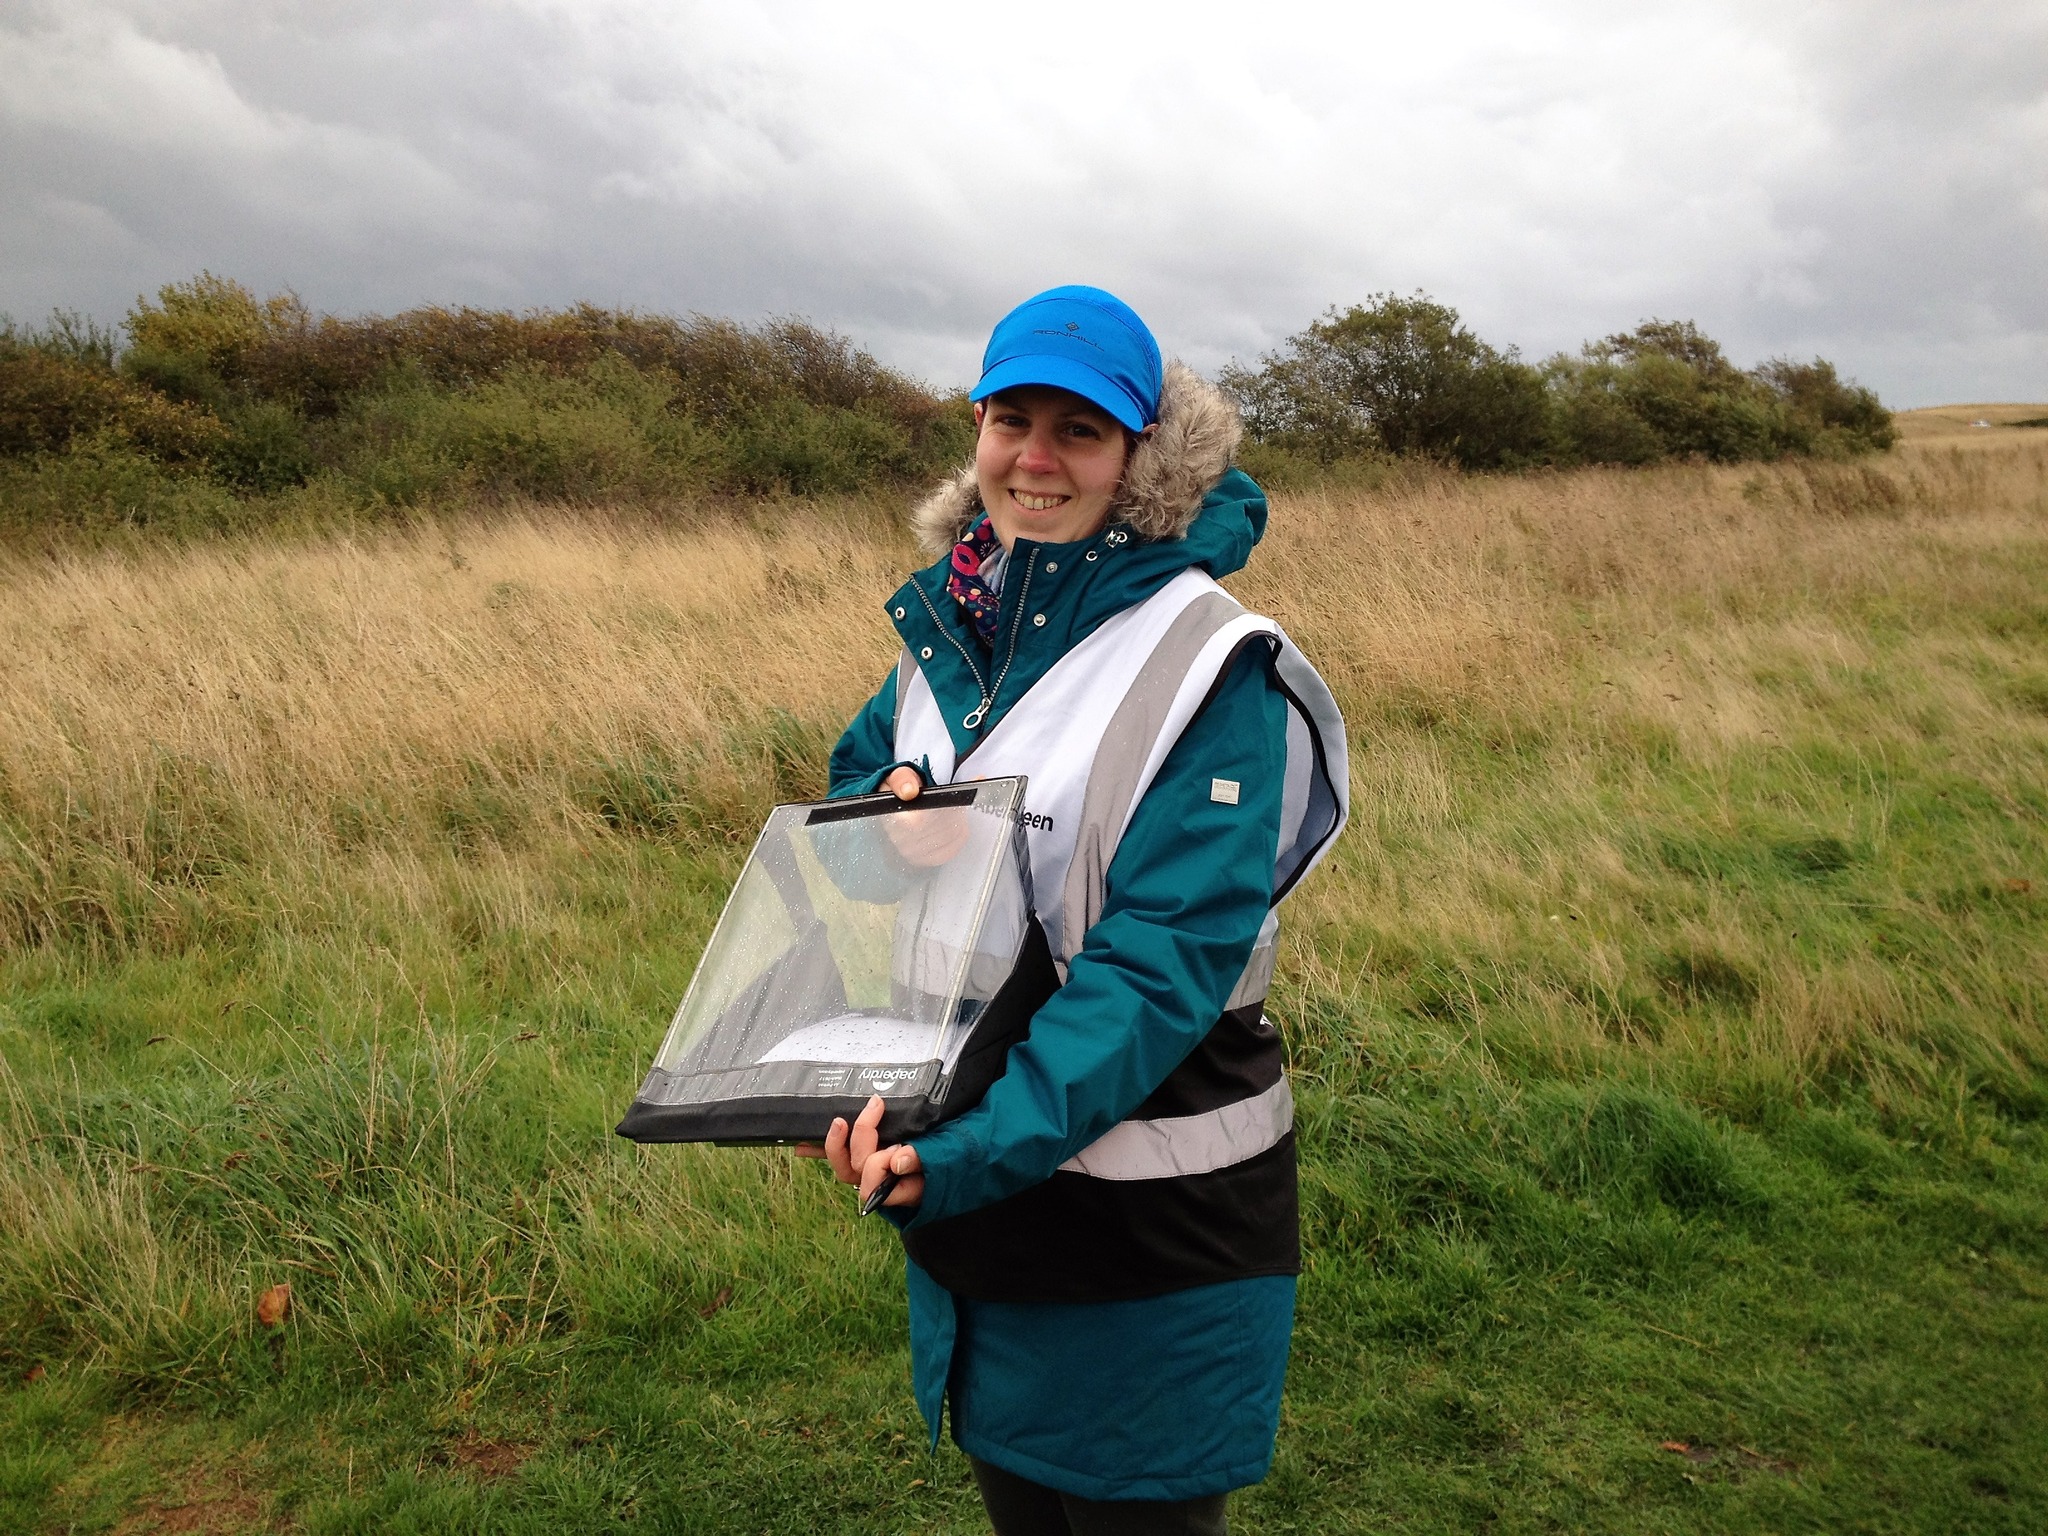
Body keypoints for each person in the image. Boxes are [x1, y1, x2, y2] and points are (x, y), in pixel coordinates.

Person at [797, 285, 1347, 1536]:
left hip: (1149, 1234)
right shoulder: (949, 628)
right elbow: (854, 799)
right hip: (981, 1212)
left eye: (1079, 431)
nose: (1033, 459)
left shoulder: (1210, 658)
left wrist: (957, 1159)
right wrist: (890, 813)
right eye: (1009, 418)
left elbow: (1157, 970)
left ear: (1138, 458)